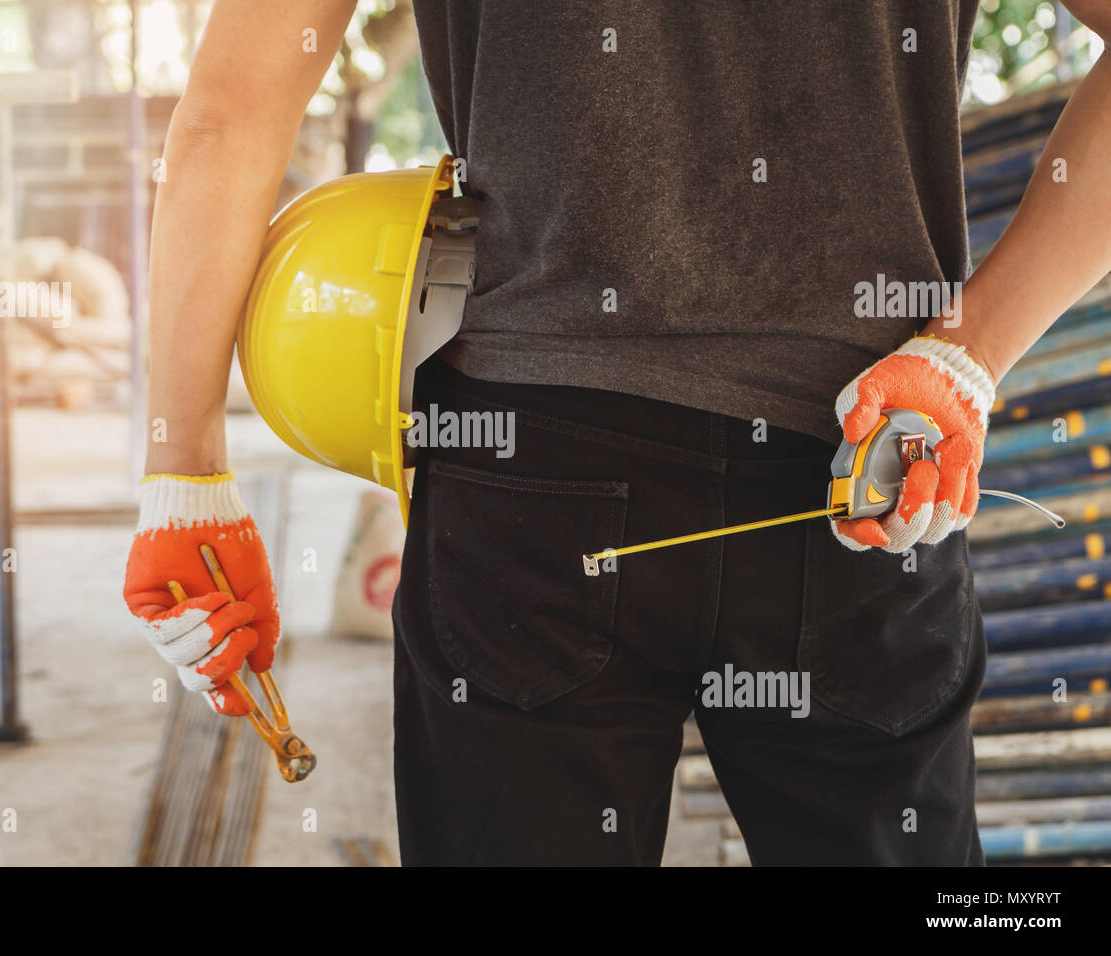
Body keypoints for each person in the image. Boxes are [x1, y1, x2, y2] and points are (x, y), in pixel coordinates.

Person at [123, 0, 1111, 865]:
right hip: (859, 462)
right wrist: (965, 353)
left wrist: (185, 480)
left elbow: (227, 115)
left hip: (532, 478)